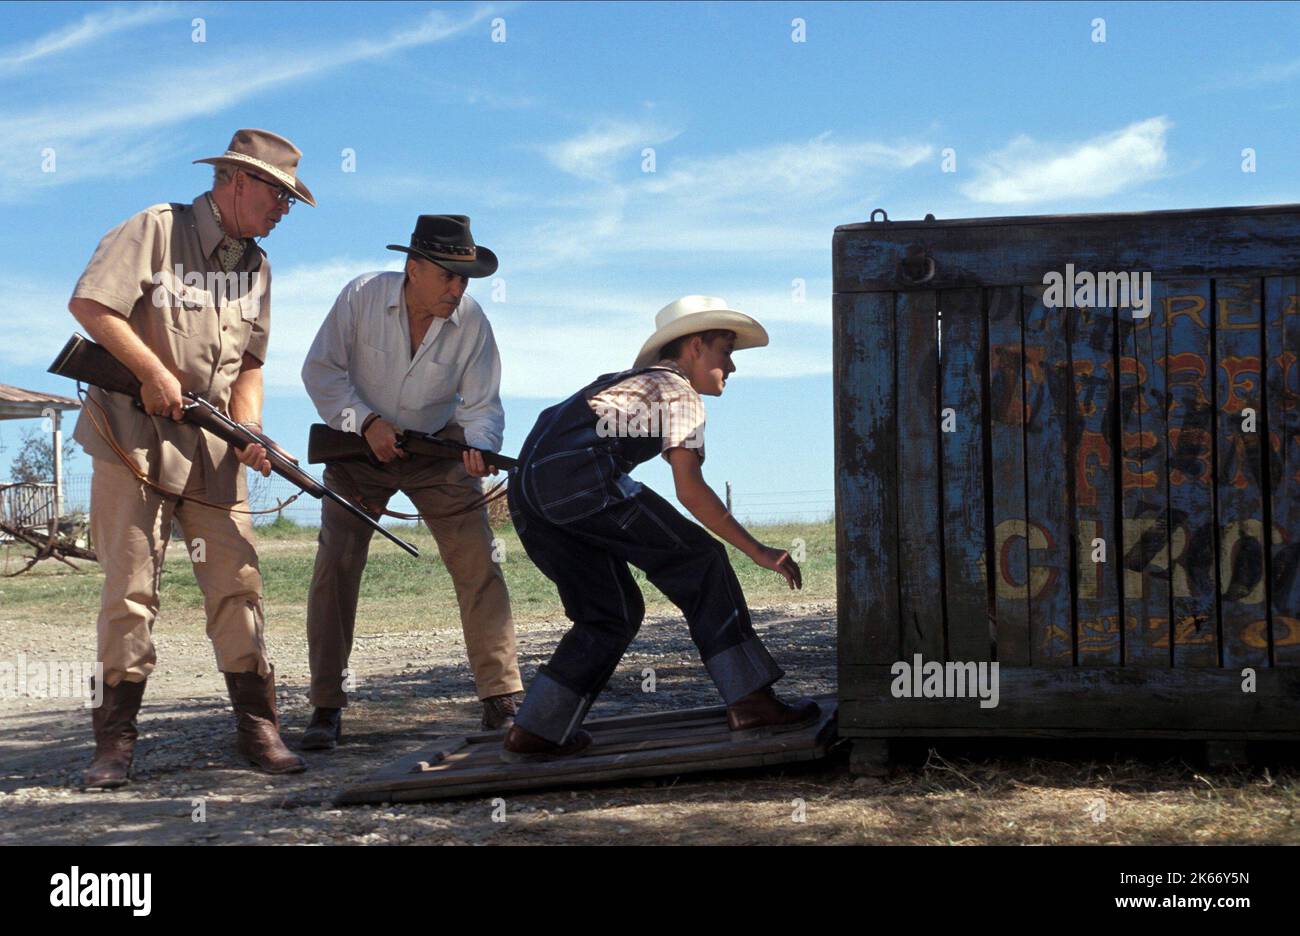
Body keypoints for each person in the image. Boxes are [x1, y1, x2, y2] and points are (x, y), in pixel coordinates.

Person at [70, 129, 316, 788]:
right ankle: (114, 743)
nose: (283, 209)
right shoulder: (155, 229)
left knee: (239, 584)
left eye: (289, 200)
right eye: (277, 194)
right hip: (132, 439)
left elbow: (252, 365)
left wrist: (253, 428)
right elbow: (91, 304)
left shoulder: (257, 267)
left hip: (213, 448)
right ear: (236, 181)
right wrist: (150, 370)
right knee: (131, 590)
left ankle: (259, 727)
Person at [502, 295, 819, 761]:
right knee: (701, 560)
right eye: (724, 351)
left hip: (527, 493)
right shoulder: (677, 391)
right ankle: (751, 700)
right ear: (694, 347)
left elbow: (550, 429)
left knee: (609, 613)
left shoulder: (621, 384)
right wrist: (757, 550)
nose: (731, 367)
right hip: (583, 479)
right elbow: (690, 490)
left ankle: (538, 729)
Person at [299, 215, 523, 749]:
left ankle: (501, 700)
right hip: (357, 450)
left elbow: (484, 405)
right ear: (413, 268)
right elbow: (322, 372)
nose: (457, 288)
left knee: (479, 561)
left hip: (435, 452)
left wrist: (479, 446)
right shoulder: (360, 296)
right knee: (336, 566)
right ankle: (325, 707)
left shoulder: (472, 321)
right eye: (447, 275)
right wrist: (367, 423)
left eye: (464, 278)